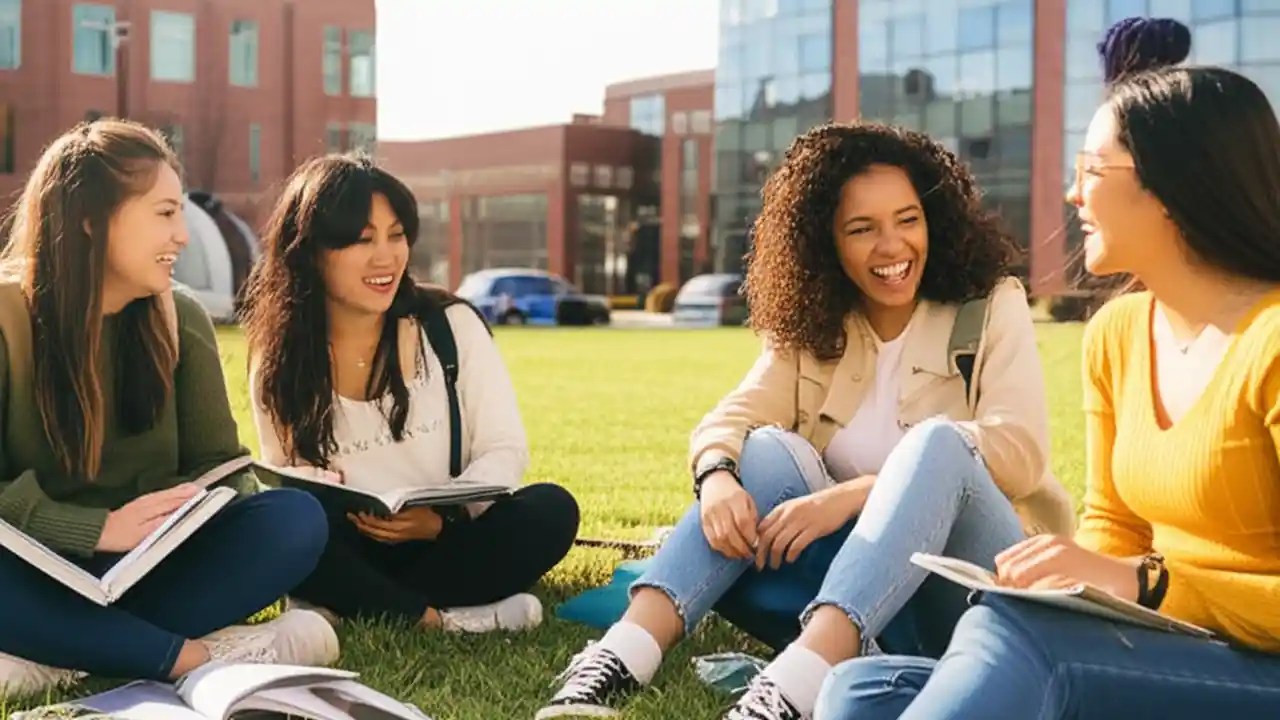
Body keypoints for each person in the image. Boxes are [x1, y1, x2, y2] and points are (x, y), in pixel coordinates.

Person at [536, 122, 1075, 720]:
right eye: (862, 229)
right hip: (858, 596)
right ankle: (620, 655)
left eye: (907, 219)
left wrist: (852, 497)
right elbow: (732, 418)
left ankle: (793, 686)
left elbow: (1020, 452)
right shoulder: (818, 324)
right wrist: (716, 478)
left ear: (935, 221)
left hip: (979, 598)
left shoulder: (990, 304)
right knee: (763, 451)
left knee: (939, 445)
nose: (892, 247)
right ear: (826, 243)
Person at [812, 65, 1280, 720]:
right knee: (859, 690)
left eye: (1092, 170)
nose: (1072, 194)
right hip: (1173, 646)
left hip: (1262, 671)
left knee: (1019, 641)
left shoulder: (1272, 343)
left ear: (1172, 187)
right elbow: (1116, 526)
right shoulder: (1117, 334)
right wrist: (1077, 584)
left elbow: (1144, 576)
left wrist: (1150, 584)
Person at [0, 120, 337, 696]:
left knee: (294, 519)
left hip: (149, 568)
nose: (182, 235)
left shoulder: (179, 317)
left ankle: (57, 655)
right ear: (89, 219)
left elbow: (218, 465)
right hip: (33, 566)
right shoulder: (7, 318)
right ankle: (195, 655)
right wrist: (96, 528)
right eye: (164, 213)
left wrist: (220, 503)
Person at [241, 154, 580, 635]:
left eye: (396, 236)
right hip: (351, 545)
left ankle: (369, 606)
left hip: (448, 540)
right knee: (278, 528)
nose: (386, 257)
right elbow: (288, 480)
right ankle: (443, 619)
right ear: (311, 251)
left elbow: (503, 449)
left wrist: (443, 518)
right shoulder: (278, 360)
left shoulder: (449, 326)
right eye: (363, 240)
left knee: (551, 509)